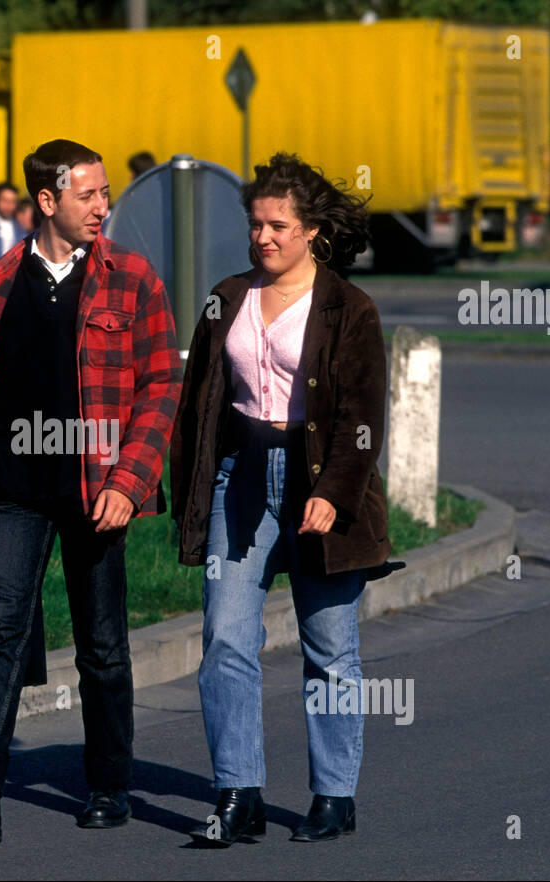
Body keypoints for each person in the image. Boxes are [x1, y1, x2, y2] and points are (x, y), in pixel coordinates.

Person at [0, 139, 182, 843]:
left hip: (96, 488)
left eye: (106, 193)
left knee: (101, 645)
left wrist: (130, 479)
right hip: (11, 488)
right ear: (47, 201)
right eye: (90, 195)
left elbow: (162, 384)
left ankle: (109, 783)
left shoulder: (133, 279)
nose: (104, 207)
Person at [170, 151, 403, 847]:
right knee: (225, 640)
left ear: (311, 233)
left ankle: (334, 795)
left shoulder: (348, 309)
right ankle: (237, 792)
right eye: (256, 225)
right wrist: (188, 492)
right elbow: (199, 404)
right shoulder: (226, 296)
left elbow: (364, 417)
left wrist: (335, 492)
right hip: (241, 480)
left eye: (277, 226)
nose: (262, 237)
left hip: (320, 482)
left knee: (330, 647)